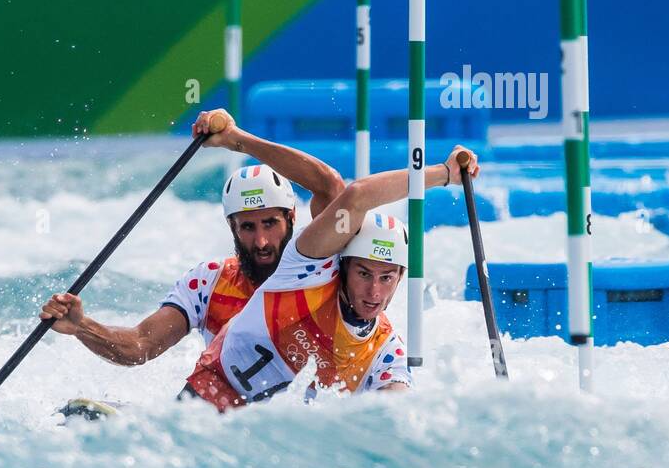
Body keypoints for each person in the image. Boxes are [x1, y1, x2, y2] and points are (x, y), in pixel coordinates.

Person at [39, 109, 344, 367]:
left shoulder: (319, 263)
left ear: (291, 217)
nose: (262, 242)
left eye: (270, 224)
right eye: (248, 228)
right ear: (232, 228)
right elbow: (141, 345)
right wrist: (82, 326)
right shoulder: (208, 283)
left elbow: (329, 186)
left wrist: (237, 140)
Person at [182, 145, 479, 409]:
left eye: (386, 278)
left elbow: (394, 414)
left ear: (401, 278)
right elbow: (353, 195)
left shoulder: (386, 352)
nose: (374, 292)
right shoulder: (305, 272)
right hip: (201, 408)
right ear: (343, 267)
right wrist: (443, 174)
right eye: (363, 274)